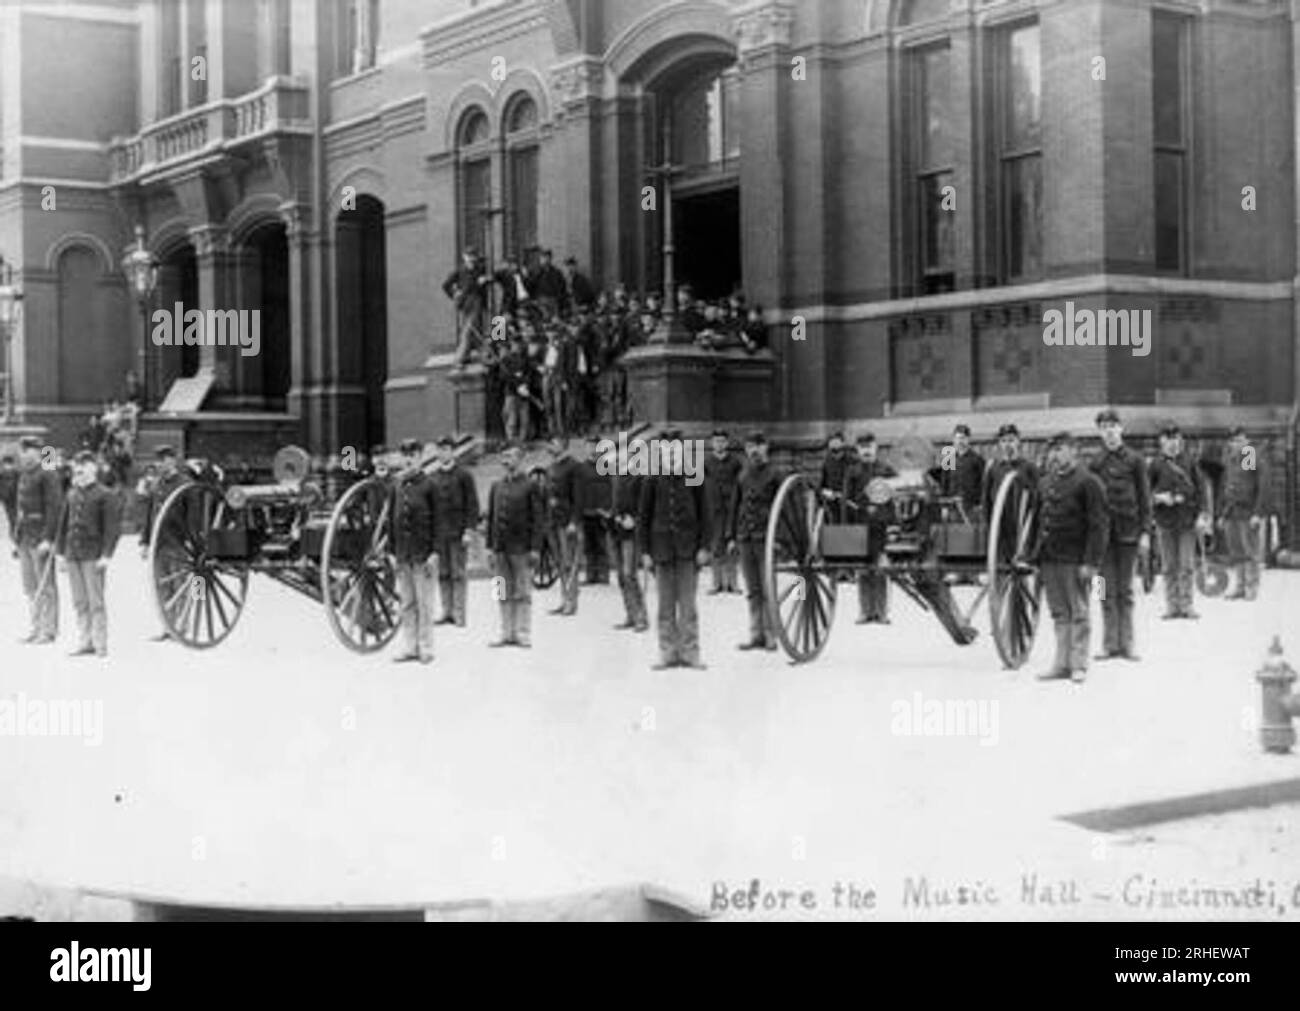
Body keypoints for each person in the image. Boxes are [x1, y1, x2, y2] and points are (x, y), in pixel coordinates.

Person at [1036, 432, 1109, 684]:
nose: (1056, 454)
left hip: (1075, 559)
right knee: (1058, 612)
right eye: (1053, 450)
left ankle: (1079, 665)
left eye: (1061, 449)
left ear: (1073, 451)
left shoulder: (1089, 482)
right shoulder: (1046, 482)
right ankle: (1061, 663)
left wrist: (1091, 562)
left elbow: (1099, 526)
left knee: (1078, 611)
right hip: (1050, 557)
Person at [639, 430, 710, 669]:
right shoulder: (652, 478)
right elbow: (643, 517)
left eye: (675, 451)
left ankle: (691, 652)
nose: (671, 455)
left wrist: (704, 547)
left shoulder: (693, 475)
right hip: (661, 551)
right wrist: (645, 552)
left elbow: (705, 514)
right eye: (666, 451)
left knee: (688, 607)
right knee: (665, 607)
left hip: (688, 551)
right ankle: (668, 652)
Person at [1089, 409, 1151, 662]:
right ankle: (1108, 644)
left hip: (1128, 535)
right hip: (1102, 541)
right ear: (1099, 432)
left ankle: (1127, 644)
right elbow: (1090, 504)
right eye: (1104, 427)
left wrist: (1145, 533)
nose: (1110, 431)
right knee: (1103, 591)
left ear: (1121, 429)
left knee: (1125, 591)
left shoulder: (1135, 461)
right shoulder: (1095, 463)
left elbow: (1145, 500)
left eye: (1113, 425)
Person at [57, 450, 121, 658]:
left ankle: (100, 643)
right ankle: (85, 641)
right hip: (73, 553)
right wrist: (60, 554)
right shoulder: (72, 493)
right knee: (79, 601)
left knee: (96, 601)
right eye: (78, 464)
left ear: (94, 468)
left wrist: (106, 555)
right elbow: (63, 525)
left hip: (93, 555)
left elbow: (112, 529)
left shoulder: (105, 494)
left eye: (85, 464)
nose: (80, 468)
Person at [728, 431, 783, 651]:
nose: (755, 451)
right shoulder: (742, 476)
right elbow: (735, 507)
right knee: (752, 590)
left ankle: (771, 635)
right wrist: (731, 536)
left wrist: (779, 538)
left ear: (766, 448)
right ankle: (755, 634)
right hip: (745, 538)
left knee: (768, 588)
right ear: (745, 450)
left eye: (759, 446)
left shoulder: (775, 475)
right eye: (751, 446)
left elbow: (785, 510)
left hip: (766, 540)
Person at [486, 443, 545, 648]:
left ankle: (522, 632)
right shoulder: (496, 486)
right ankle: (505, 631)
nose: (506, 460)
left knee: (523, 592)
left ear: (520, 459)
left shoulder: (530, 486)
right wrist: (489, 548)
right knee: (501, 591)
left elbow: (538, 520)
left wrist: (535, 548)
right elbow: (491, 519)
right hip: (499, 549)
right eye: (503, 456)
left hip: (521, 549)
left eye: (510, 455)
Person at [1147, 423, 1205, 620]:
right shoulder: (1155, 465)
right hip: (1165, 522)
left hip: (1187, 521)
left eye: (1175, 439)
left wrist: (1202, 516)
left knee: (1186, 565)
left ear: (1180, 441)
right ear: (1161, 442)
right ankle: (1172, 606)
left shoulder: (1190, 462)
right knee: (1169, 566)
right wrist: (1159, 498)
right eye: (1168, 439)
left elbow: (1201, 490)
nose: (1172, 444)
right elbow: (1146, 493)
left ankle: (1187, 605)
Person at [391, 440, 438, 665]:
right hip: (403, 555)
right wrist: (393, 552)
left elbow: (439, 522)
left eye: (413, 454)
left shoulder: (430, 485)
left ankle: (426, 647)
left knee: (424, 603)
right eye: (405, 455)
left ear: (420, 457)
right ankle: (410, 646)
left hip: (423, 554)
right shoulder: (398, 486)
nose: (408, 459)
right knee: (407, 604)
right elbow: (393, 521)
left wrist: (435, 552)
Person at [14, 436, 63, 645]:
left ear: (37, 452)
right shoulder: (24, 474)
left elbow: (54, 508)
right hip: (25, 536)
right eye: (22, 451)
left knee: (46, 586)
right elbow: (20, 508)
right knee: (30, 586)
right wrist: (17, 538)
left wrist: (48, 538)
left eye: (27, 451)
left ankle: (48, 630)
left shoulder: (47, 473)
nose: (23, 455)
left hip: (40, 536)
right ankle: (35, 628)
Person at [845, 434, 897, 624]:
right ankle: (865, 611)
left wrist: (893, 525)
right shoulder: (852, 472)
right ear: (858, 450)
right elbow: (847, 500)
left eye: (869, 446)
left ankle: (881, 612)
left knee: (881, 569)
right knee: (863, 570)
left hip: (881, 527)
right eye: (862, 447)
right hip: (860, 525)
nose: (866, 451)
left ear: (876, 447)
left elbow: (894, 501)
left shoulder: (886, 470)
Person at [429, 437, 480, 627]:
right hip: (440, 535)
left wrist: (469, 530)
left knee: (458, 573)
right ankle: (446, 611)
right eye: (440, 449)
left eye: (447, 449)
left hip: (458, 533)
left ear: (453, 452)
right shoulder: (433, 477)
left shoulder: (464, 476)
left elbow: (472, 505)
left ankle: (459, 614)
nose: (443, 453)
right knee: (442, 573)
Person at [1219, 426, 1269, 601]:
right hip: (1231, 511)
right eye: (1234, 440)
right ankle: (1239, 587)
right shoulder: (1230, 457)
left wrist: (1258, 512)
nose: (1237, 443)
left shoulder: (1249, 454)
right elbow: (1225, 485)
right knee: (1236, 552)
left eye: (1240, 440)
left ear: (1246, 440)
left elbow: (1261, 485)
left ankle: (1251, 587)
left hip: (1248, 511)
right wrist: (1222, 514)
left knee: (1250, 551)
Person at [611, 440, 649, 634]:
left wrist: (635, 520)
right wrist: (614, 515)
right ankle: (631, 614)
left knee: (630, 574)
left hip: (632, 532)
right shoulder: (618, 476)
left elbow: (645, 506)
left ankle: (641, 617)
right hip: (616, 531)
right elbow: (616, 502)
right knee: (620, 576)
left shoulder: (640, 477)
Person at [547, 436, 585, 617]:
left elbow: (579, 497)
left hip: (567, 521)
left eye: (554, 443)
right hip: (553, 520)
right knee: (560, 563)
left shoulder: (574, 466)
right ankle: (564, 599)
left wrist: (574, 522)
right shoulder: (552, 466)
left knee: (569, 562)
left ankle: (572, 601)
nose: (550, 446)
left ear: (563, 445)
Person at [704, 431, 742, 594]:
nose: (719, 444)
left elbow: (740, 484)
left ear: (727, 444)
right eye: (716, 441)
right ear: (712, 444)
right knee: (716, 545)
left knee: (732, 545)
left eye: (722, 441)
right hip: (713, 508)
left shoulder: (735, 462)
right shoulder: (706, 462)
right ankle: (716, 582)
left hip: (731, 507)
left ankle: (733, 583)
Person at [444, 248, 490, 368]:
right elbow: (446, 285)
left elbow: (489, 279)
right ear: (464, 257)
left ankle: (475, 355)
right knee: (470, 329)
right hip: (467, 302)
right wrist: (454, 295)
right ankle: (465, 357)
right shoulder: (460, 271)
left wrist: (484, 280)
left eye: (473, 256)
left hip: (481, 302)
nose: (471, 259)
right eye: (469, 256)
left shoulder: (480, 269)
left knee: (474, 329)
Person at [982, 424, 1040, 516]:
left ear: (1018, 442)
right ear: (999, 444)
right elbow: (986, 500)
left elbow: (1036, 497)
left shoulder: (1029, 467)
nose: (1007, 445)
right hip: (999, 520)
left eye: (1011, 440)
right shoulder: (993, 468)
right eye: (1003, 441)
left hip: (1021, 520)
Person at [580, 433, 613, 584]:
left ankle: (603, 575)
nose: (592, 449)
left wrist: (609, 509)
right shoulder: (581, 468)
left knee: (601, 544)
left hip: (602, 512)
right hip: (586, 512)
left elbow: (612, 488)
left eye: (595, 446)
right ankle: (590, 575)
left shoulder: (607, 466)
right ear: (585, 449)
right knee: (588, 545)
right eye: (589, 446)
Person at [939, 424, 986, 518]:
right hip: (953, 506)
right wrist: (944, 506)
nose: (960, 441)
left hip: (971, 506)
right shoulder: (948, 458)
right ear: (953, 440)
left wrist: (980, 504)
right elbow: (944, 483)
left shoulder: (977, 459)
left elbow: (983, 484)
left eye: (963, 438)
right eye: (957, 438)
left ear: (968, 439)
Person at [818, 431, 852, 524]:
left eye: (840, 449)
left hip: (851, 505)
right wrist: (827, 493)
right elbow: (822, 485)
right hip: (833, 504)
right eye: (833, 451)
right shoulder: (827, 463)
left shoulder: (852, 461)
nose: (837, 453)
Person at [530, 249, 566, 320]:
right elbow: (531, 285)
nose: (546, 260)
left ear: (550, 259)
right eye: (544, 257)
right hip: (541, 301)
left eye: (547, 258)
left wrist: (559, 300)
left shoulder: (556, 273)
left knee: (554, 321)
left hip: (553, 300)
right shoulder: (536, 272)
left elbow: (562, 287)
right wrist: (534, 299)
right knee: (544, 320)